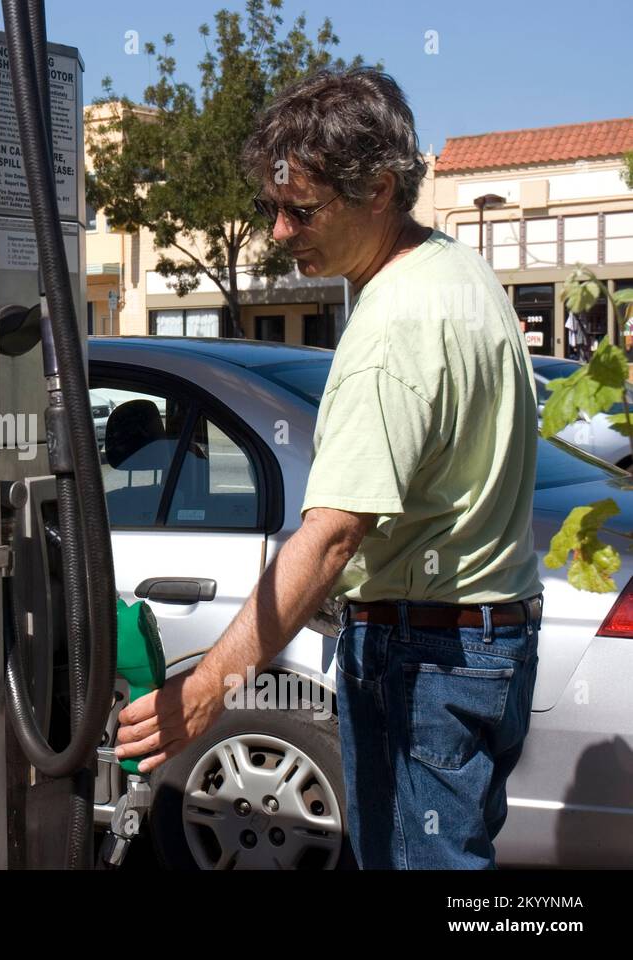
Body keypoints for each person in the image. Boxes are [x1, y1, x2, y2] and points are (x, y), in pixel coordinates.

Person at [114, 67, 544, 869]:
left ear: (379, 188)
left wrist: (204, 690)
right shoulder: (455, 269)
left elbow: (335, 535)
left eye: (301, 209)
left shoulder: (392, 327)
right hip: (489, 636)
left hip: (427, 655)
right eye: (271, 207)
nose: (279, 231)